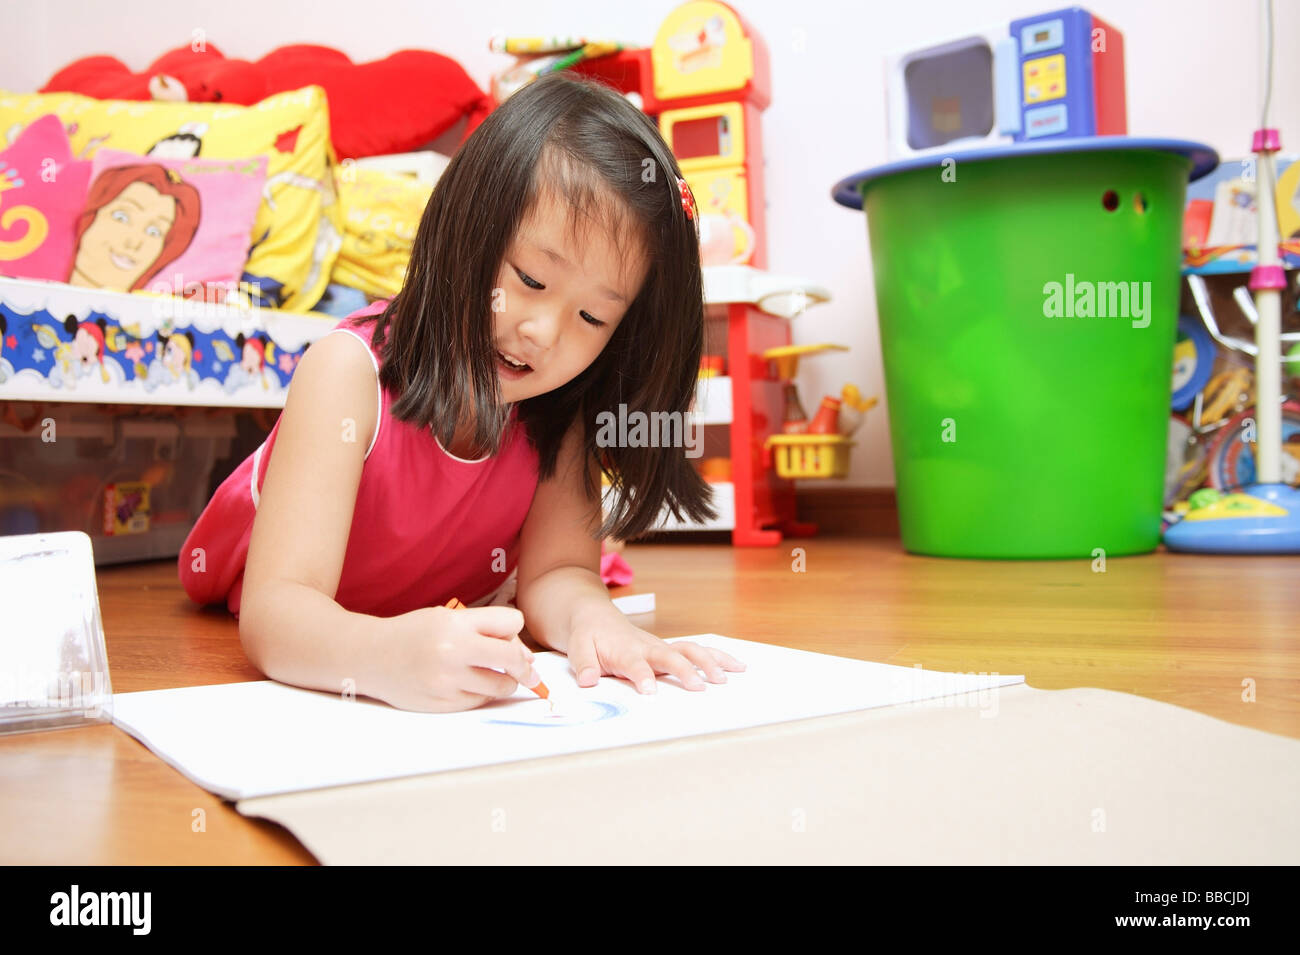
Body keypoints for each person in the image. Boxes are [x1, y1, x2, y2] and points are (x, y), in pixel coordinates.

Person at [179, 73, 745, 713]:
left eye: (592, 319)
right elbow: (275, 612)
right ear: (465, 225)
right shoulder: (348, 374)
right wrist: (383, 656)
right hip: (280, 587)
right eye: (531, 279)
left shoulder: (561, 413)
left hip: (431, 598)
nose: (542, 331)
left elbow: (558, 573)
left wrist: (596, 621)